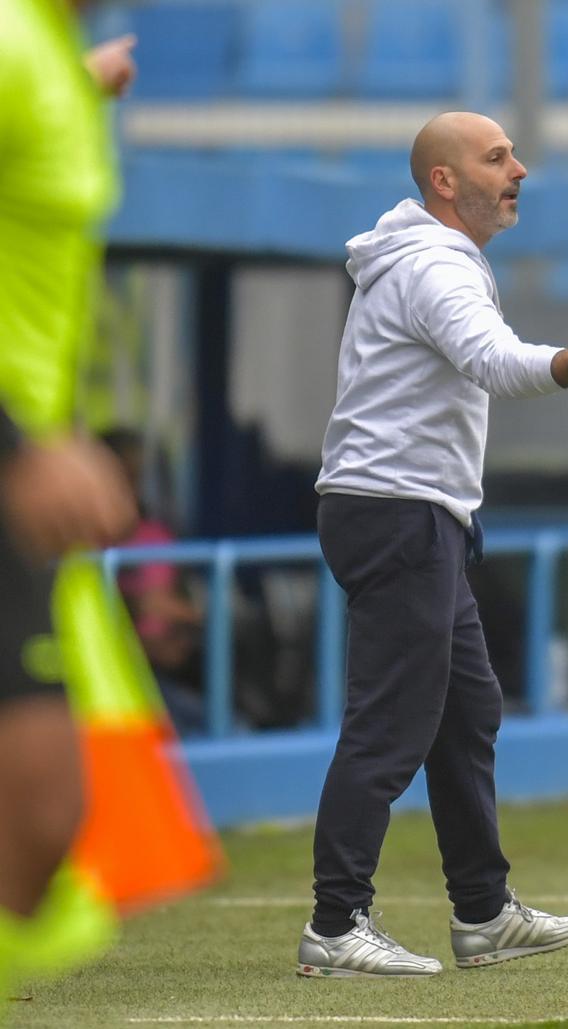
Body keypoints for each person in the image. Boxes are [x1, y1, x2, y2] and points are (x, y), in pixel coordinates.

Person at [298, 111, 568, 978]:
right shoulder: (433, 265)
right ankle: (335, 925)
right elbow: (494, 361)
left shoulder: (426, 256)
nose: (519, 169)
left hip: (408, 512)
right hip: (398, 514)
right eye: (498, 158)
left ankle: (483, 913)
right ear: (445, 182)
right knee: (391, 727)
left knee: (466, 714)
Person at [0, 0, 138, 983]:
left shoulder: (42, 50)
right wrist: (18, 445)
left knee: (45, 822)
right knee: (41, 811)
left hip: (24, 489)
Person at [100, 428, 205, 736]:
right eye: (123, 477)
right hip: (123, 677)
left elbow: (188, 608)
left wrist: (182, 623)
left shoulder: (158, 535)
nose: (130, 491)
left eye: (136, 478)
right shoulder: (84, 550)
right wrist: (140, 613)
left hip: (173, 668)